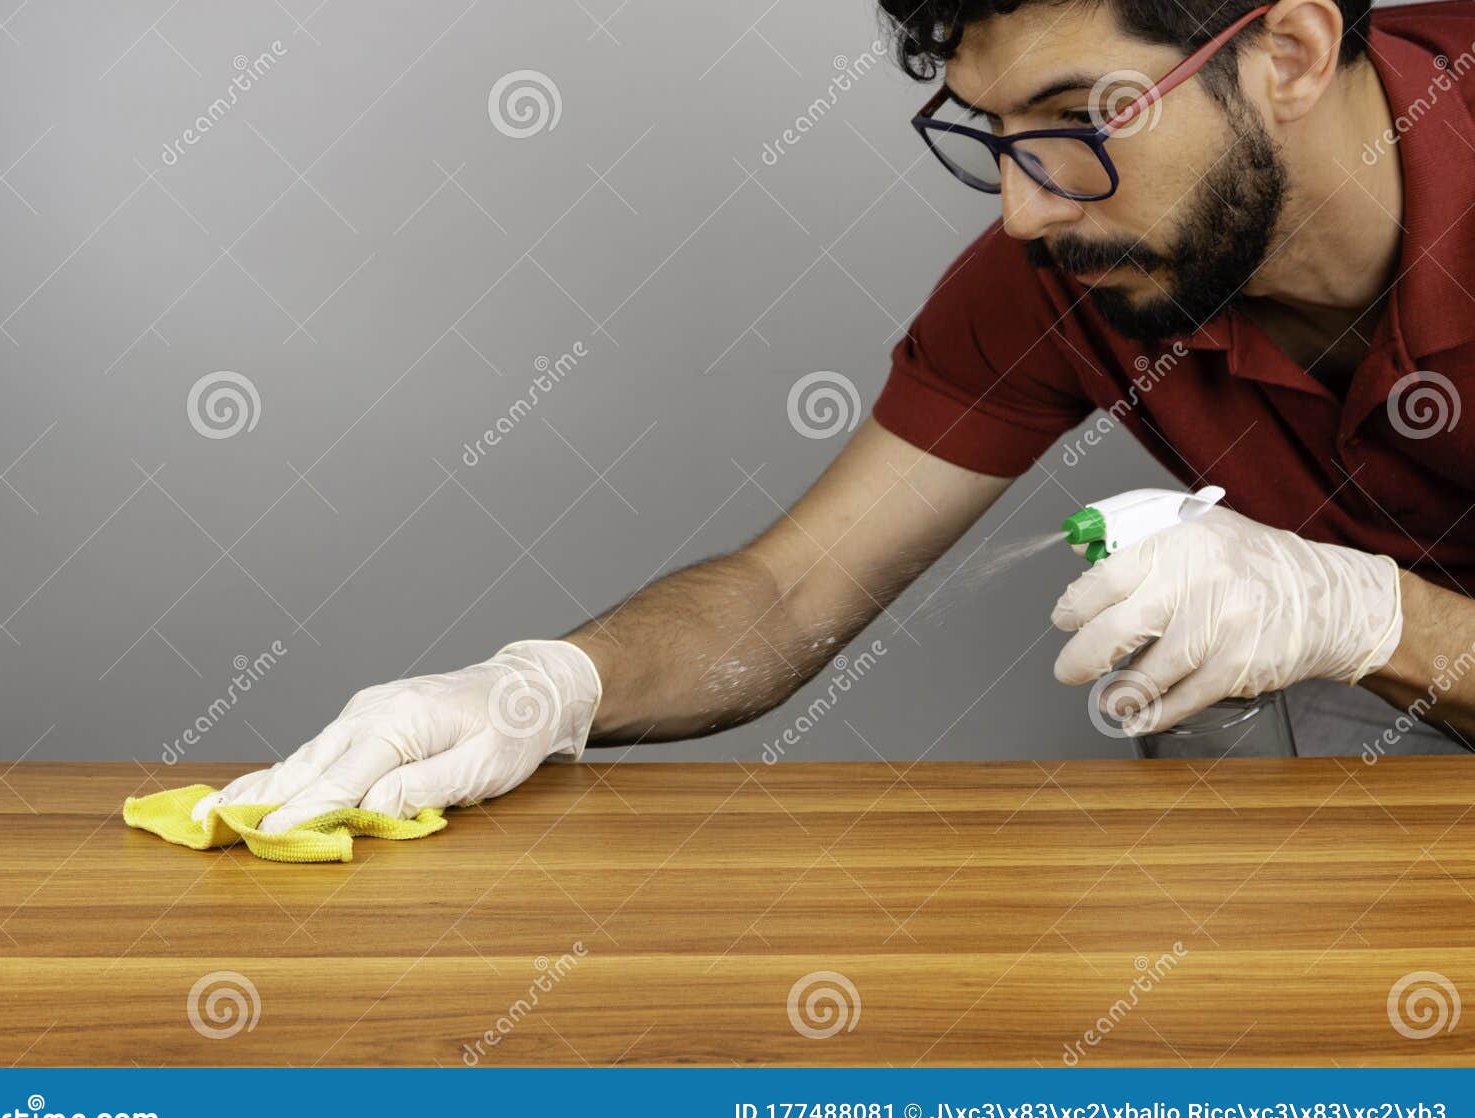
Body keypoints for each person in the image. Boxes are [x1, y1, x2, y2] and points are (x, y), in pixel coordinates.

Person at [196, 0, 1475, 834]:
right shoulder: (1075, 263)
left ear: (1293, 53)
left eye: (1079, 120)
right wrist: (543, 688)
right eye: (991, 133)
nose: (1024, 213)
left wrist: (1362, 612)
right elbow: (789, 596)